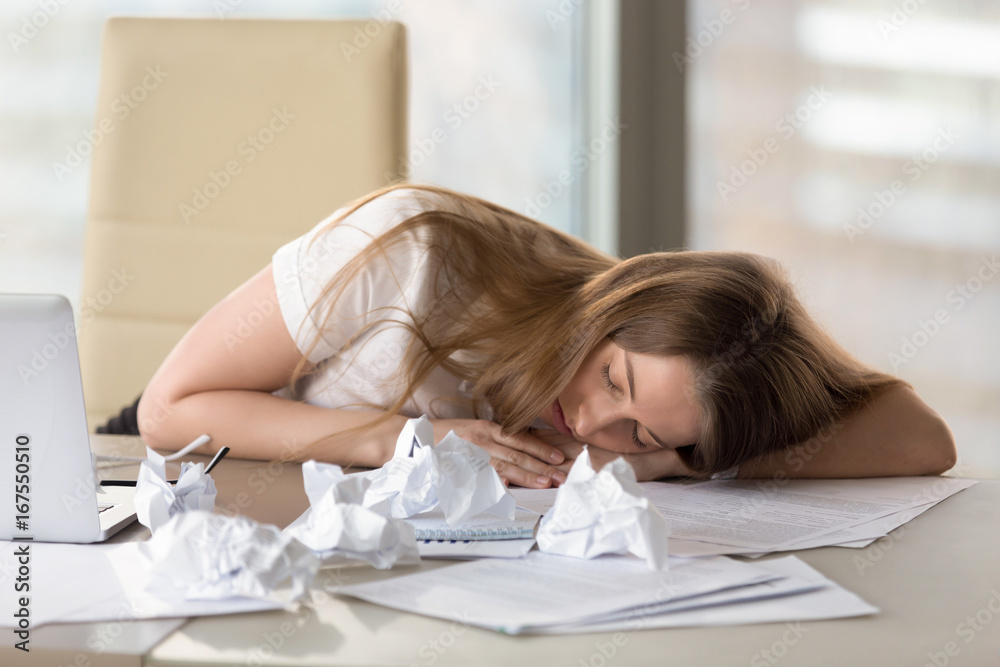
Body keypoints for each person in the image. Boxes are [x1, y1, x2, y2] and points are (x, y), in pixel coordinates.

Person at [136, 184, 956, 489]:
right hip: (226, 485)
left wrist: (674, 457)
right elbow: (171, 408)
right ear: (610, 306)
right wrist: (408, 442)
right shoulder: (409, 250)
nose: (596, 427)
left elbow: (922, 440)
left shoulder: (655, 418)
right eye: (613, 379)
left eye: (644, 429)